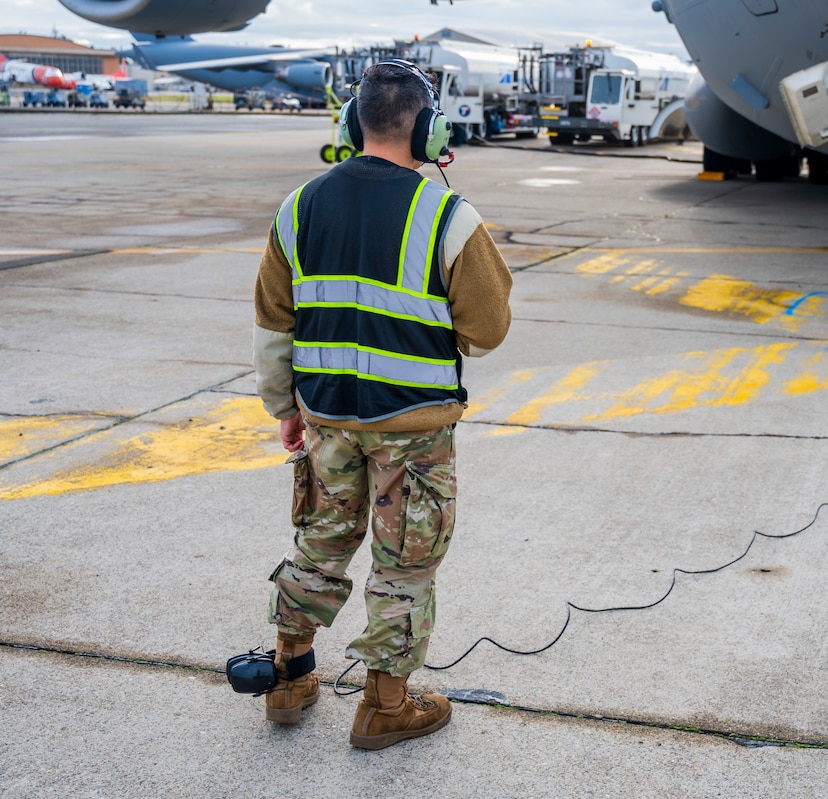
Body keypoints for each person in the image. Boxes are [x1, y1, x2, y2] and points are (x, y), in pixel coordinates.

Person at [251, 60, 512, 750]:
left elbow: (274, 322)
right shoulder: (448, 216)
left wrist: (285, 407)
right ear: (429, 132)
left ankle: (288, 677)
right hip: (413, 431)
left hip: (326, 418)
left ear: (350, 123)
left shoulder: (297, 207)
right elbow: (487, 331)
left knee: (319, 543)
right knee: (404, 563)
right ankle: (385, 706)